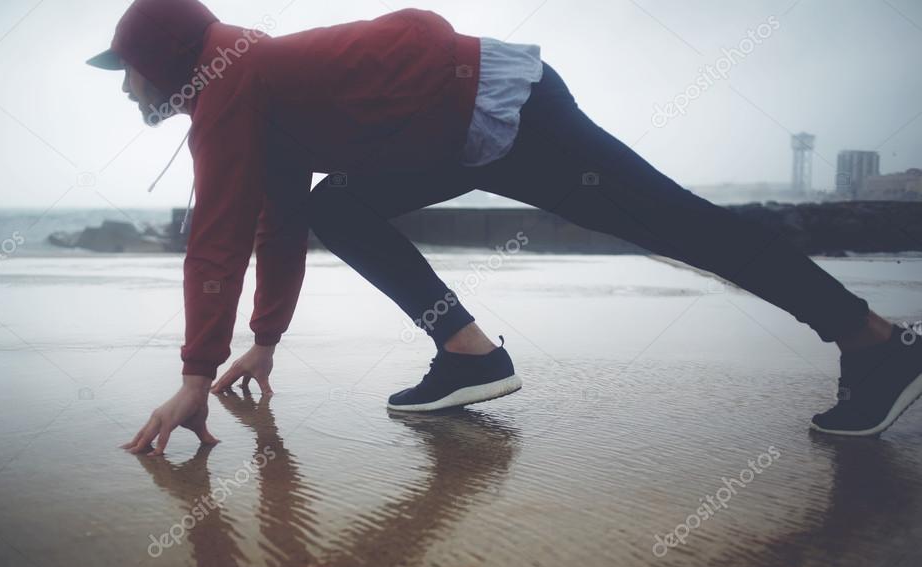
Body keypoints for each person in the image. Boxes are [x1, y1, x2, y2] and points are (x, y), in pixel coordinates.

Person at [88, 0, 921, 455]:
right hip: (460, 124)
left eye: (124, 71)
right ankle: (469, 355)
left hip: (504, 109)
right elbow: (273, 226)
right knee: (333, 205)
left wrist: (195, 375)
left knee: (682, 228)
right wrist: (264, 338)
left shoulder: (233, 91)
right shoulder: (248, 83)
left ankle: (876, 344)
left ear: (161, 61)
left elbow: (219, 240)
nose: (123, 90)